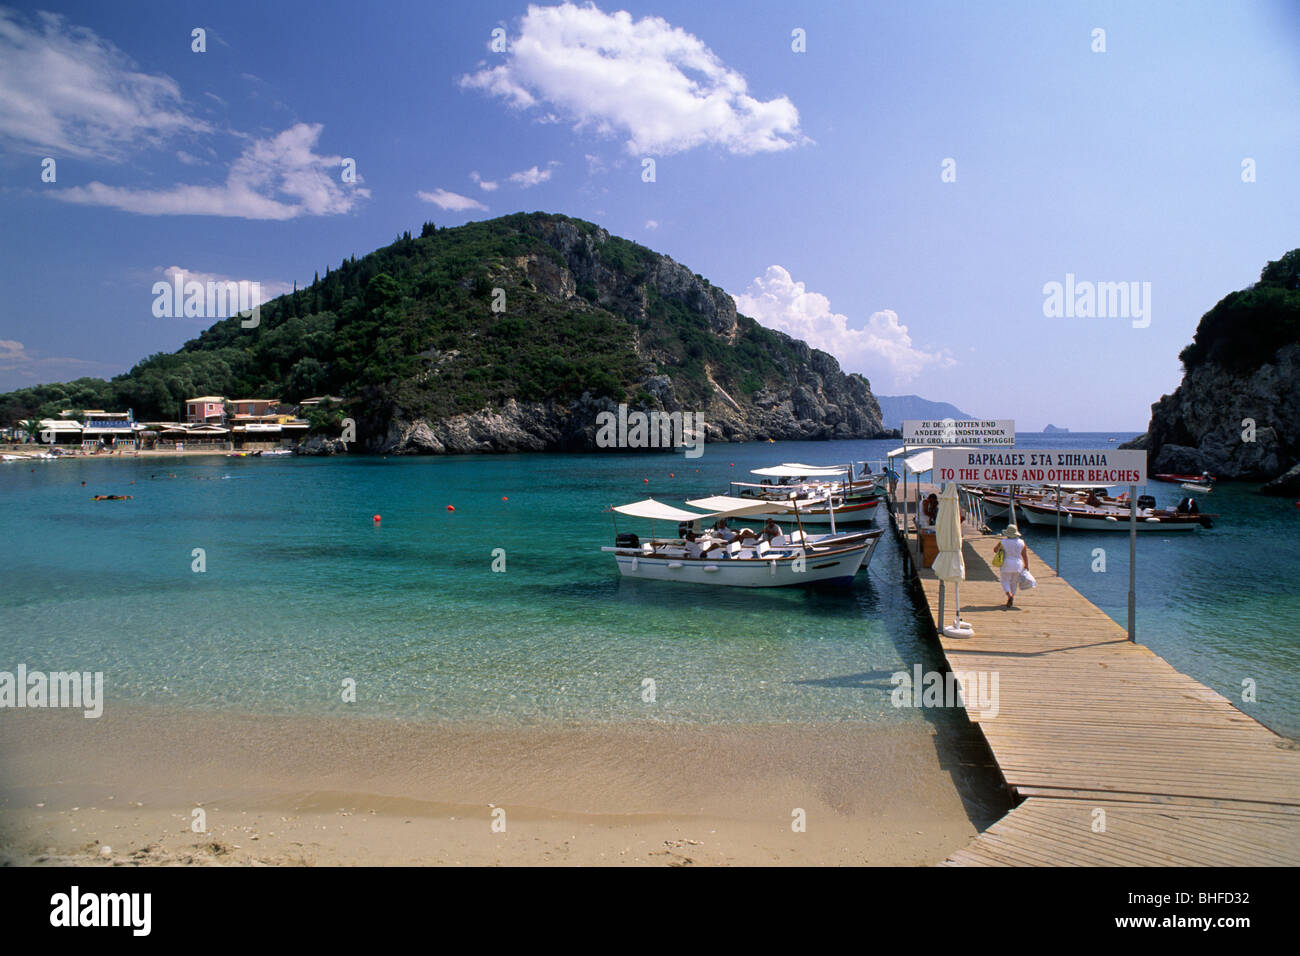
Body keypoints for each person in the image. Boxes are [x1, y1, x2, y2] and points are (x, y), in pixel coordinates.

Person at [993, 525, 1029, 608]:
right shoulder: (1022, 542)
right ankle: (1012, 596)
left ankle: (1009, 595)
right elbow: (1024, 555)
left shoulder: (1003, 542)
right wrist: (1026, 565)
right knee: (1014, 583)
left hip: (1006, 564)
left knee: (1005, 581)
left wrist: (1001, 550)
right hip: (1018, 565)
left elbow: (995, 550)